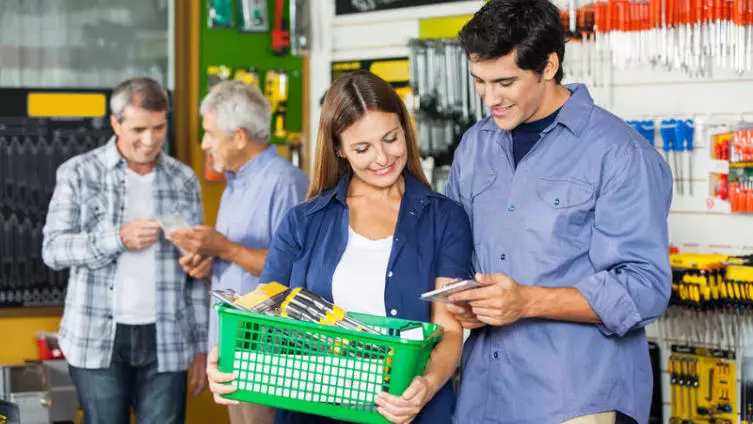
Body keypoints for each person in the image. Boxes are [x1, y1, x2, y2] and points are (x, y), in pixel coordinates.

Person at [443, 1, 674, 423]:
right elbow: (458, 251)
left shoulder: (620, 154)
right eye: (479, 81)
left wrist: (526, 301)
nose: (489, 98)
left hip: (576, 399)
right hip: (484, 396)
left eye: (505, 82)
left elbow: (644, 289)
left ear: (549, 66)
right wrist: (465, 299)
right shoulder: (474, 146)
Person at [205, 70, 473, 424]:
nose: (382, 157)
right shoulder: (302, 221)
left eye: (391, 138)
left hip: (413, 414)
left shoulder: (444, 218)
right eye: (362, 148)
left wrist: (426, 383)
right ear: (339, 149)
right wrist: (226, 357)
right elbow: (262, 318)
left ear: (405, 130)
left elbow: (450, 330)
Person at [41, 77, 209, 424]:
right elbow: (53, 249)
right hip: (96, 334)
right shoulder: (78, 173)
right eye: (138, 129)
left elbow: (194, 275)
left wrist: (201, 345)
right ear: (116, 123)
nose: (150, 140)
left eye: (159, 128)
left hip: (168, 336)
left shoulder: (184, 180)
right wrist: (117, 238)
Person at [167, 80, 309, 424]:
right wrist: (208, 261)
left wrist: (225, 248)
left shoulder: (286, 183)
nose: (204, 144)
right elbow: (240, 259)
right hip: (233, 347)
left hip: (269, 353)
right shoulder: (234, 183)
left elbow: (294, 272)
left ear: (240, 136)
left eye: (210, 134)